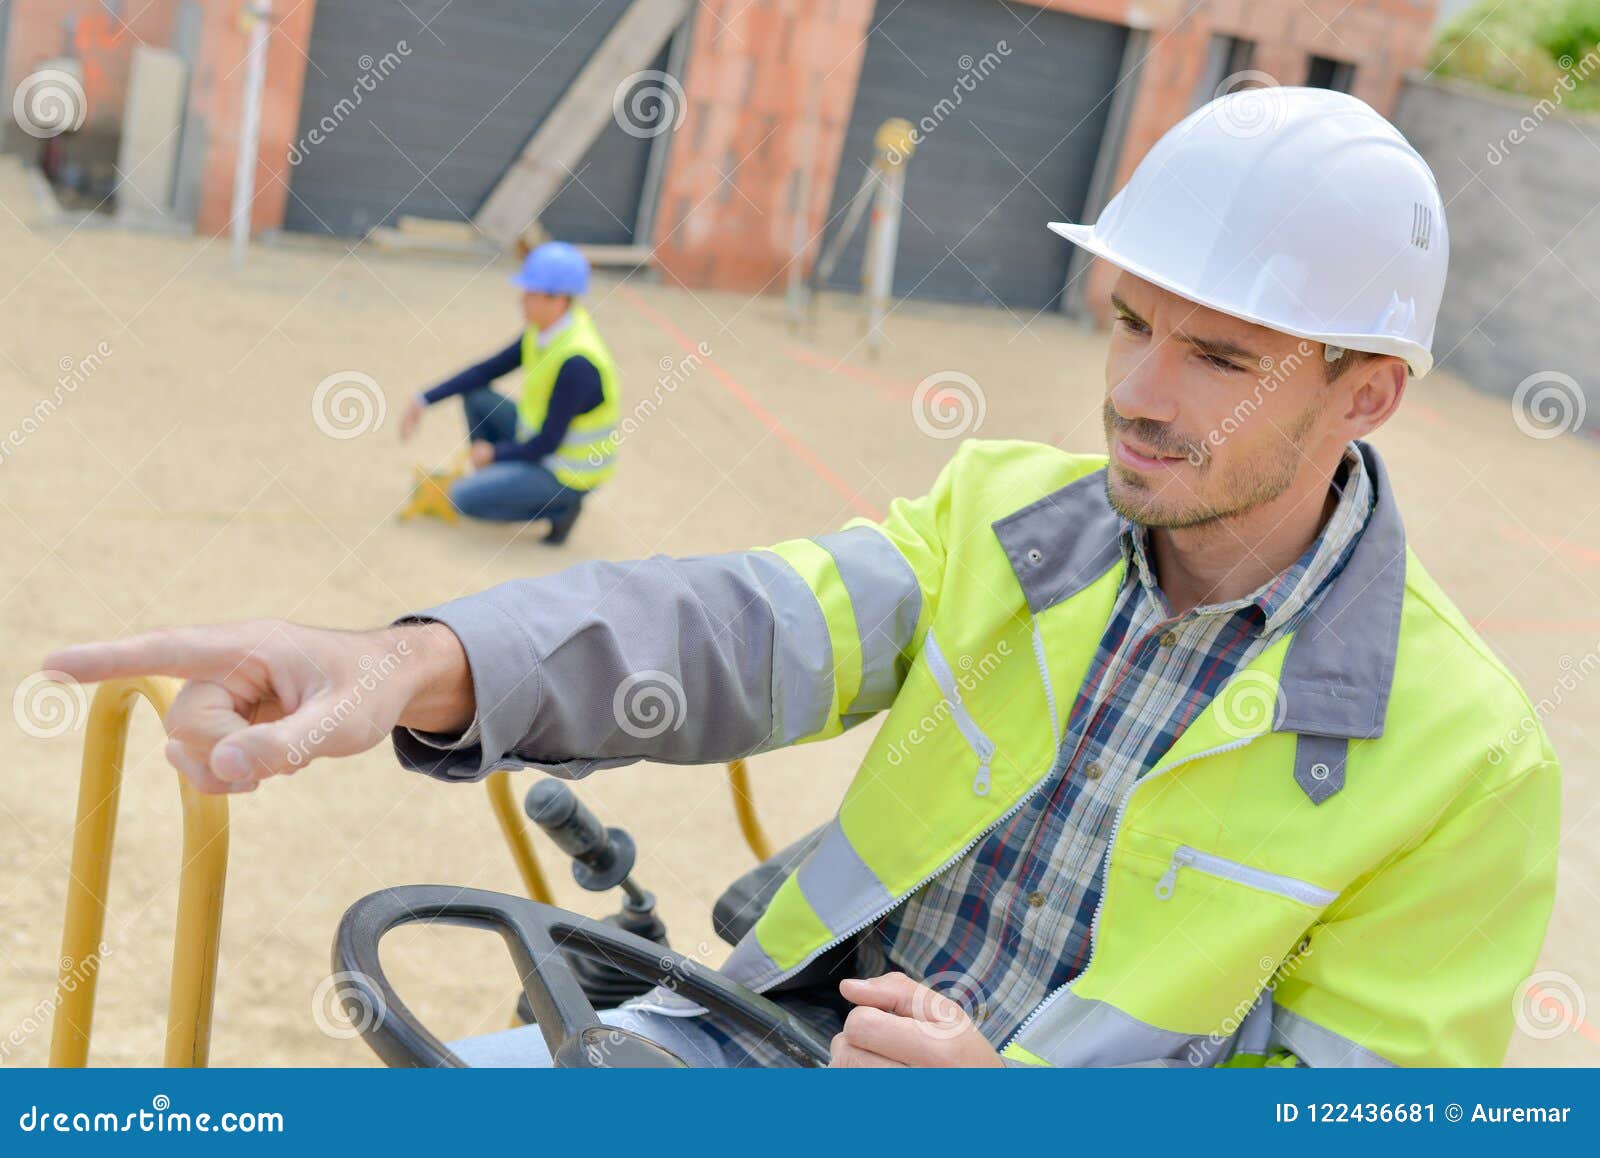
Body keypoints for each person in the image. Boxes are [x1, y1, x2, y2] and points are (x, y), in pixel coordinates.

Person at [43, 89, 1559, 1068]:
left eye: (1219, 356)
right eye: (1126, 322)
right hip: (765, 1040)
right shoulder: (1011, 518)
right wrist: (409, 656)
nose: (1139, 394)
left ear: (1366, 395)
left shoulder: (1463, 766)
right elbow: (723, 627)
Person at [399, 241, 620, 545]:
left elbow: (548, 443)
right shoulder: (544, 331)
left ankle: (562, 508)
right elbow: (485, 370)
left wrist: (494, 453)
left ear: (558, 301)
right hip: (538, 443)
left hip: (567, 473)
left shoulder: (577, 364)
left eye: (531, 293)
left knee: (462, 497)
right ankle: (510, 480)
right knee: (476, 395)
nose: (521, 299)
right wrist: (423, 399)